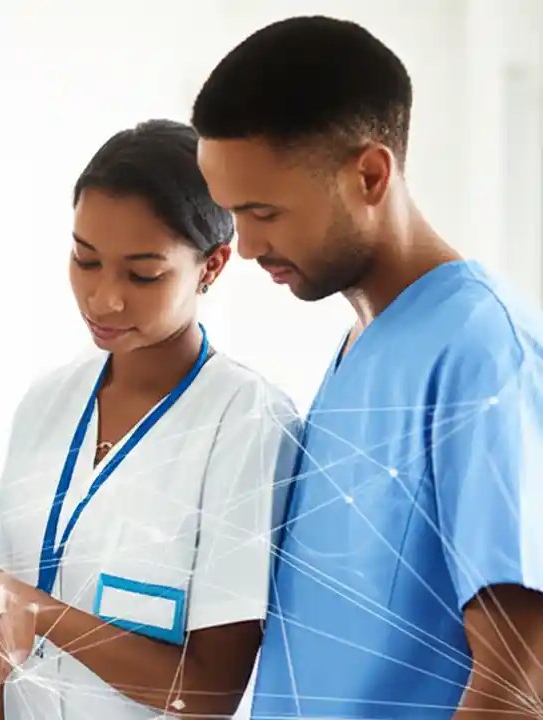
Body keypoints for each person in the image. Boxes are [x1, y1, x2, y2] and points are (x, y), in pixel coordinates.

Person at [192, 15, 543, 719]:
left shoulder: (480, 350)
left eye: (265, 211)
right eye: (233, 212)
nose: (249, 245)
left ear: (371, 174)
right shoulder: (366, 340)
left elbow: (518, 681)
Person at [0, 120, 302, 719]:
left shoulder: (246, 420)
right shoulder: (45, 403)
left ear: (213, 266)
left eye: (142, 274)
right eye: (85, 260)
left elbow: (208, 692)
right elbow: (8, 647)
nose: (103, 299)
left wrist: (41, 612)